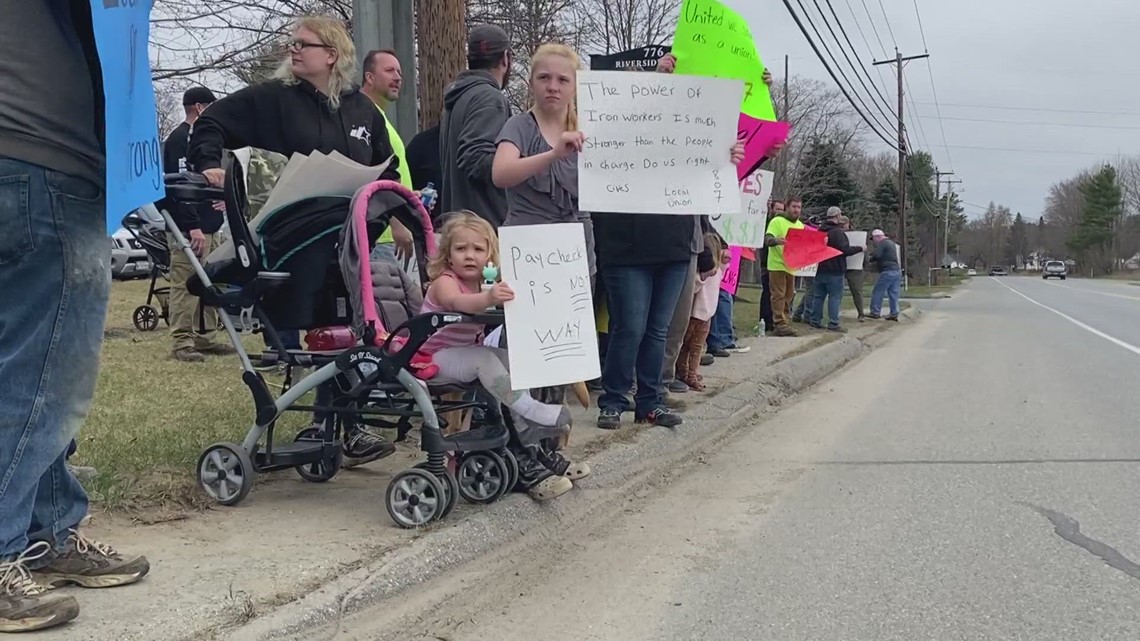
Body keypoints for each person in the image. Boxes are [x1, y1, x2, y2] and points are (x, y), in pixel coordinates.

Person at [187, 15, 401, 464]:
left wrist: (399, 216)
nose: (294, 50)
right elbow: (212, 123)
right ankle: (329, 424)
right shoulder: (274, 99)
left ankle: (340, 425)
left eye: (305, 44)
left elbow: (388, 170)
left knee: (353, 331)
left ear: (332, 54)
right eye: (293, 44)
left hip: (351, 241)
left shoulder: (363, 109)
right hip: (296, 242)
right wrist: (209, 162)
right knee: (322, 331)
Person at [1, 1, 150, 631]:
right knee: (45, 376)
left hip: (27, 155)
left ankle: (48, 528)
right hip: (46, 156)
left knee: (26, 362)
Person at [594, 53, 746, 430]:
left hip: (675, 245)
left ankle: (650, 400)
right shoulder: (606, 132)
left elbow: (714, 170)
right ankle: (613, 399)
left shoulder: (684, 132)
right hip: (625, 246)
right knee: (629, 326)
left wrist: (728, 157)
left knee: (658, 329)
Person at [420, 212, 589, 499]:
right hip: (432, 356)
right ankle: (532, 411)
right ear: (448, 256)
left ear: (490, 255)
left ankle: (534, 441)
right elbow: (457, 302)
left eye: (478, 249)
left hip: (463, 354)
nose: (469, 256)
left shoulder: (485, 282)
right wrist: (488, 299)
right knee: (484, 360)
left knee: (509, 358)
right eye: (461, 249)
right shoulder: (445, 282)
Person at [492, 43, 591, 273]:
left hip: (577, 253)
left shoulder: (588, 129)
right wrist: (553, 154)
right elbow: (500, 174)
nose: (553, 87)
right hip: (529, 253)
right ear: (531, 82)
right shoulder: (519, 125)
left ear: (576, 86)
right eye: (544, 78)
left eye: (563, 80)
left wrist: (661, 78)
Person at [161, 86, 236, 363]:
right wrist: (192, 226)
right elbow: (180, 187)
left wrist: (223, 200)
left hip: (212, 224)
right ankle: (183, 341)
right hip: (188, 228)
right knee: (185, 284)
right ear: (199, 107)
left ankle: (206, 337)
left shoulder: (206, 140)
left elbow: (213, 179)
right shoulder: (180, 139)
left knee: (210, 283)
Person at [439, 24, 513, 226]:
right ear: (505, 58)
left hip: (462, 230)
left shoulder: (459, 97)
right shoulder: (489, 97)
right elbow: (475, 158)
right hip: (485, 231)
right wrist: (522, 165)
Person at [361, 48, 416, 263]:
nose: (397, 78)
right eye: (389, 70)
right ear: (369, 77)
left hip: (391, 235)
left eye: (400, 73)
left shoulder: (380, 118)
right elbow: (369, 176)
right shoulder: (363, 118)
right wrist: (396, 221)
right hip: (382, 236)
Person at [677, 234, 725, 391]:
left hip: (707, 314)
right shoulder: (701, 273)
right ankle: (687, 373)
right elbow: (694, 288)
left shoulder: (717, 270)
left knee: (695, 346)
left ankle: (689, 372)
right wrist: (703, 276)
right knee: (690, 346)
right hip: (695, 314)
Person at [809, 207, 863, 332]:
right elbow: (845, 250)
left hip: (820, 268)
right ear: (838, 216)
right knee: (834, 297)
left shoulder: (819, 230)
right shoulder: (837, 232)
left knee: (818, 297)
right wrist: (860, 248)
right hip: (835, 271)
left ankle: (815, 320)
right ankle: (833, 323)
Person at [764, 197, 805, 336]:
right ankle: (779, 323)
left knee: (788, 295)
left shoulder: (800, 225)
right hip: (777, 264)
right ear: (787, 207)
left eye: (799, 207)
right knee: (778, 295)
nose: (796, 210)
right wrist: (776, 241)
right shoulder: (777, 221)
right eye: (794, 206)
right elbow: (767, 239)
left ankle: (785, 321)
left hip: (791, 265)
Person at [756, 199, 784, 335]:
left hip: (779, 264)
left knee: (776, 294)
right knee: (767, 292)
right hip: (766, 263)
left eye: (781, 209)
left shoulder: (782, 224)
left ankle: (773, 320)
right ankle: (764, 320)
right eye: (777, 209)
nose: (779, 212)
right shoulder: (768, 224)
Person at [868, 229, 902, 321]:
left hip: (887, 271)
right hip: (896, 270)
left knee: (878, 291)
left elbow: (877, 255)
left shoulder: (883, 243)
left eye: (873, 238)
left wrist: (870, 258)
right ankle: (894, 313)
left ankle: (875, 311)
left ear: (877, 237)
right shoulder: (891, 243)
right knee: (893, 292)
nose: (873, 241)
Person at [841, 215, 868, 321]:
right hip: (840, 265)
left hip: (855, 267)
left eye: (844, 224)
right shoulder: (837, 235)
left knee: (856, 290)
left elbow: (864, 251)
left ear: (848, 224)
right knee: (836, 291)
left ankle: (861, 313)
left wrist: (864, 263)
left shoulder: (856, 236)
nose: (843, 226)